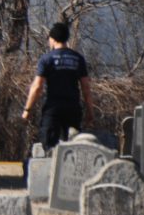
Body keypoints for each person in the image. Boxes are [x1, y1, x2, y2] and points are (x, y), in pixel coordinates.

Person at [22, 20, 93, 151]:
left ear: (53, 39)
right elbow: (86, 88)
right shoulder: (78, 58)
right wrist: (90, 111)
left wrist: (27, 110)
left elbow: (37, 87)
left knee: (48, 146)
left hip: (53, 109)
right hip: (73, 108)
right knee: (73, 148)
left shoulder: (47, 59)